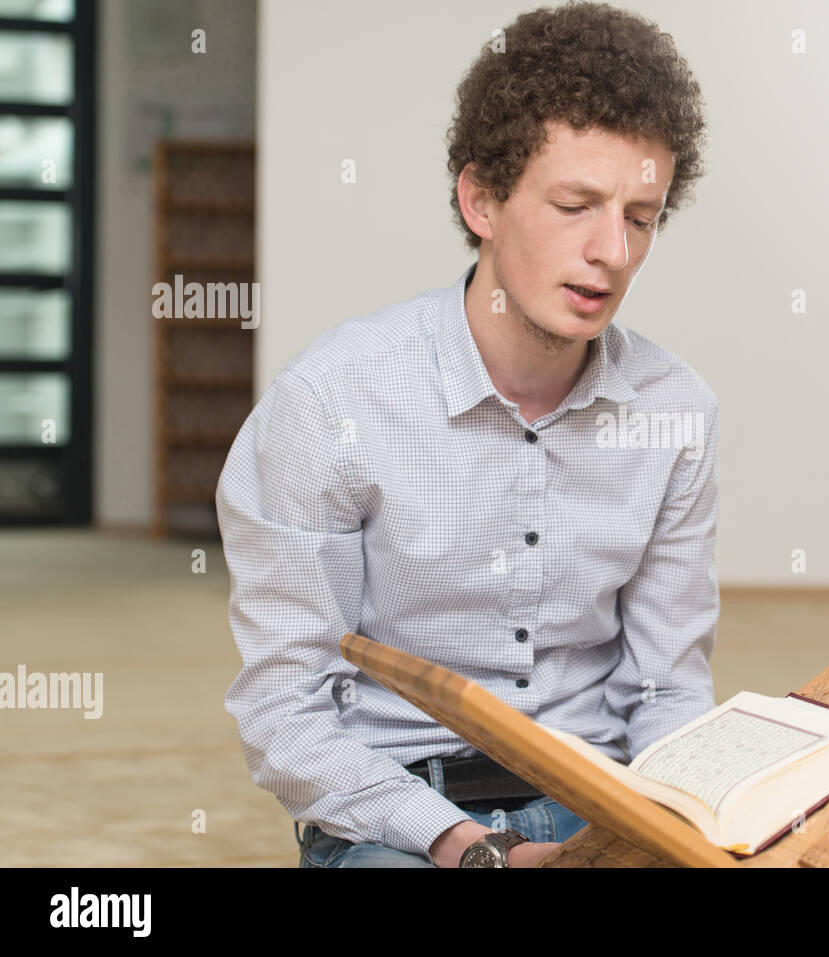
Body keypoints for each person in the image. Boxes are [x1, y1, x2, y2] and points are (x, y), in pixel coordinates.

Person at [216, 1, 717, 868]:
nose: (614, 251)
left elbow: (667, 686)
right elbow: (284, 711)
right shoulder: (330, 401)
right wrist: (471, 848)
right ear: (480, 198)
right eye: (575, 205)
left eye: (641, 216)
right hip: (400, 814)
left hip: (604, 804)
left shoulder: (677, 412)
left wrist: (685, 818)